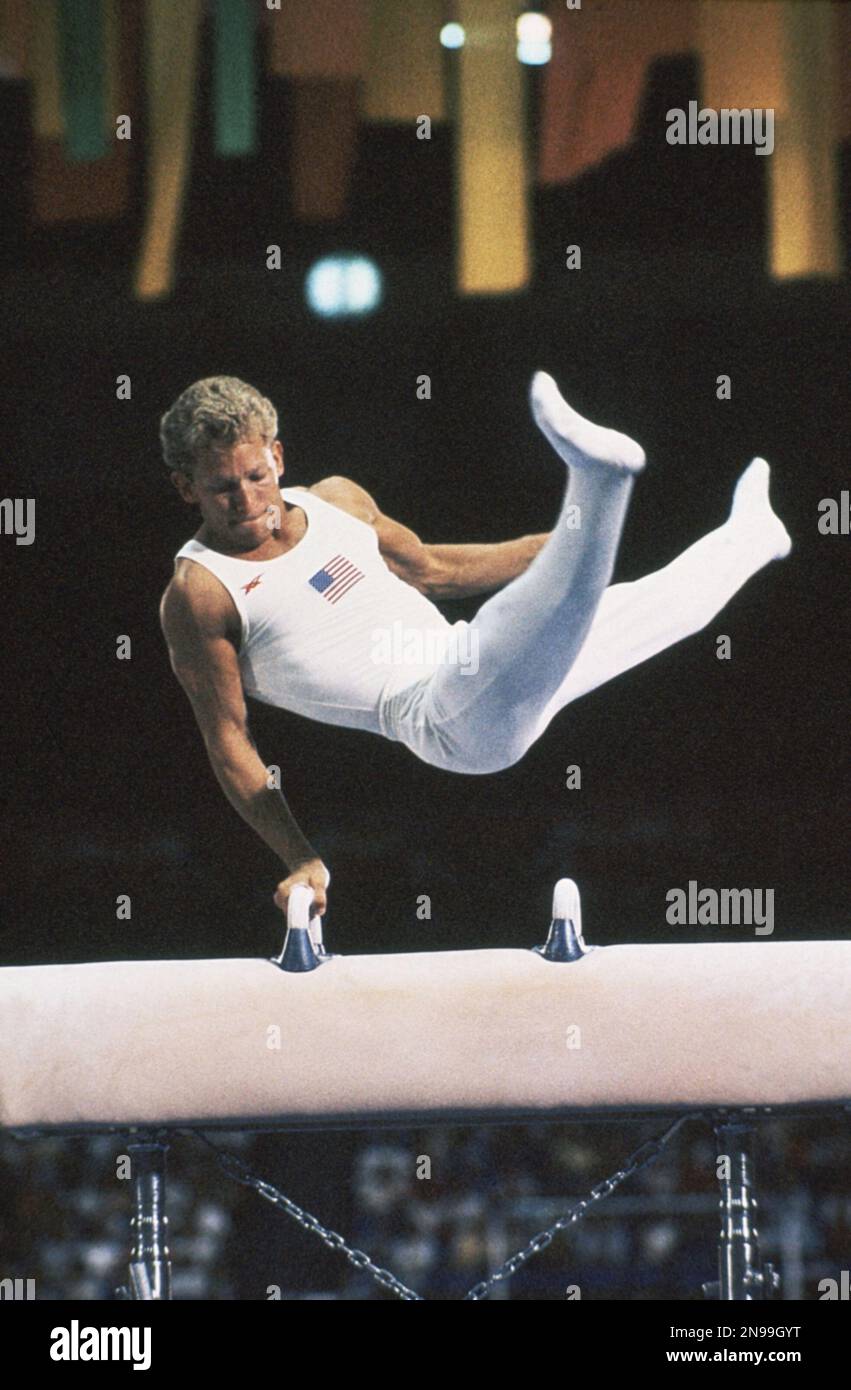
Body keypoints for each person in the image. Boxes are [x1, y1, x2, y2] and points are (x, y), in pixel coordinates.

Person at [159, 374, 790, 925]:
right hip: (440, 721)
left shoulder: (339, 502)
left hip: (474, 663)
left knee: (645, 610)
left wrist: (565, 542)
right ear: (186, 487)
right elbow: (229, 739)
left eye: (256, 475)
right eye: (222, 488)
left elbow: (435, 568)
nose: (247, 501)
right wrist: (300, 856)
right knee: (506, 631)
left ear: (278, 455)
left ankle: (753, 538)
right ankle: (599, 485)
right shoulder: (202, 592)